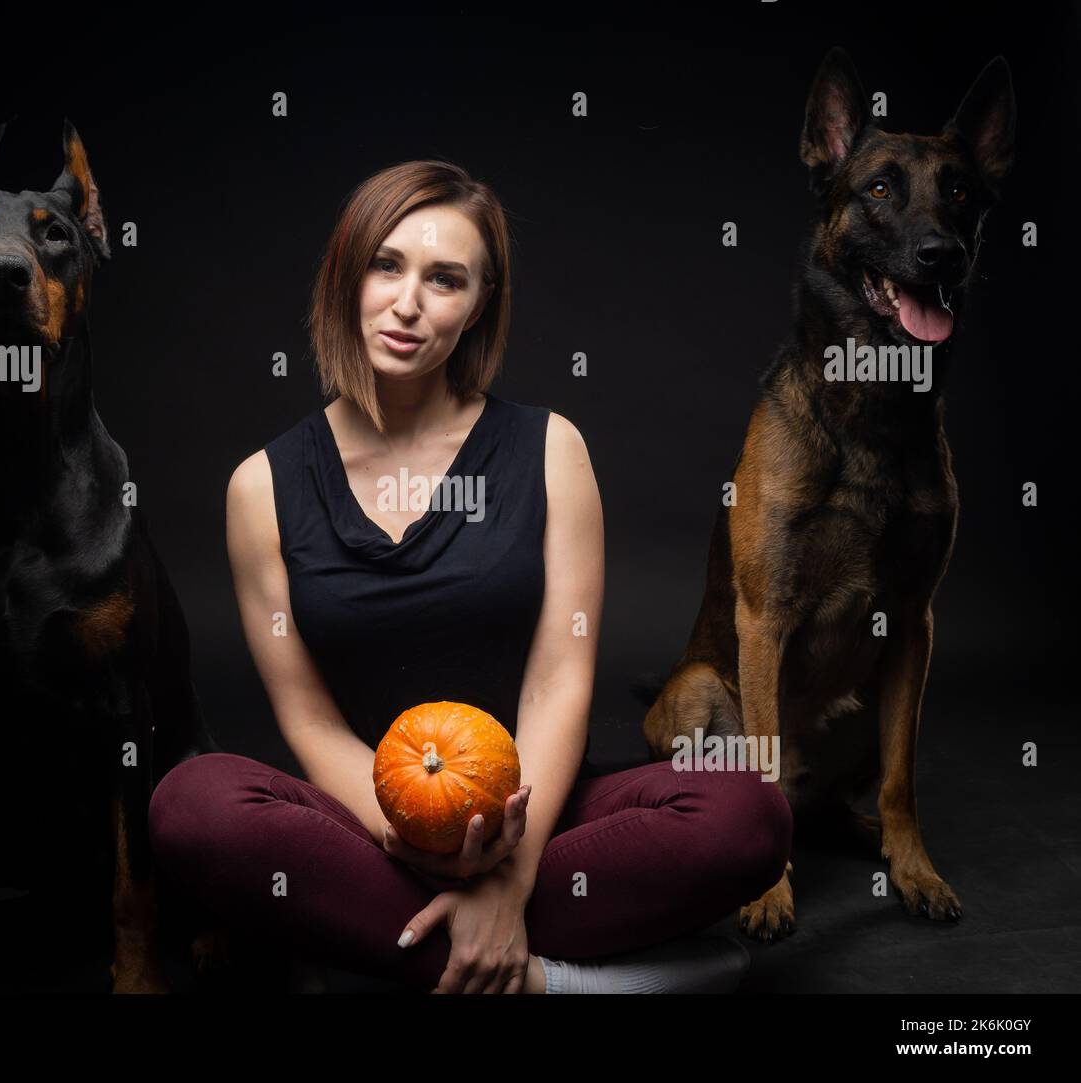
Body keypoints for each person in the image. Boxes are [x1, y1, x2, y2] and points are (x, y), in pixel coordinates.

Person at [148, 160, 792, 993]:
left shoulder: (551, 448)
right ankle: (553, 983)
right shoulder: (259, 487)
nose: (408, 302)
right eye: (387, 265)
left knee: (746, 810)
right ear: (348, 273)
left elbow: (560, 682)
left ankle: (374, 952)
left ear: (480, 302)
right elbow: (311, 726)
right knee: (191, 802)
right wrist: (422, 844)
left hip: (537, 814)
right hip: (370, 830)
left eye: (445, 279)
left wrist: (506, 876)